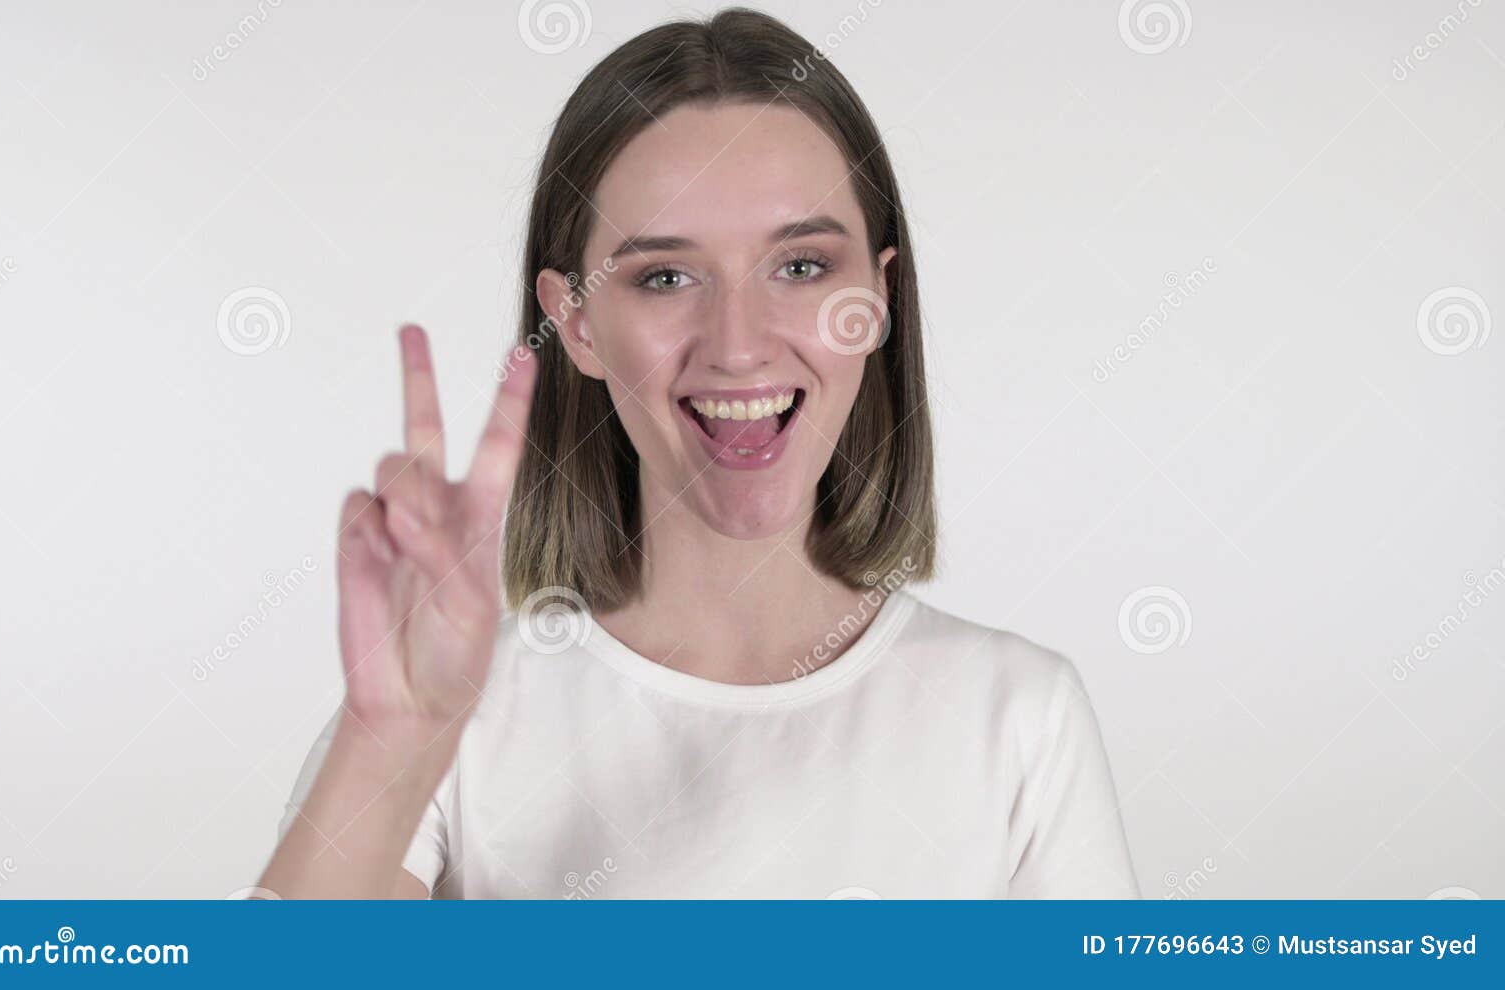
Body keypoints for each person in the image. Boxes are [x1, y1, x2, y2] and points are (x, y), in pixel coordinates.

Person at [259, 7, 1138, 899]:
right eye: (665, 277)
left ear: (877, 301)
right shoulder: (457, 714)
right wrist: (389, 748)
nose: (739, 344)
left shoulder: (1018, 717)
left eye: (800, 266)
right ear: (578, 324)